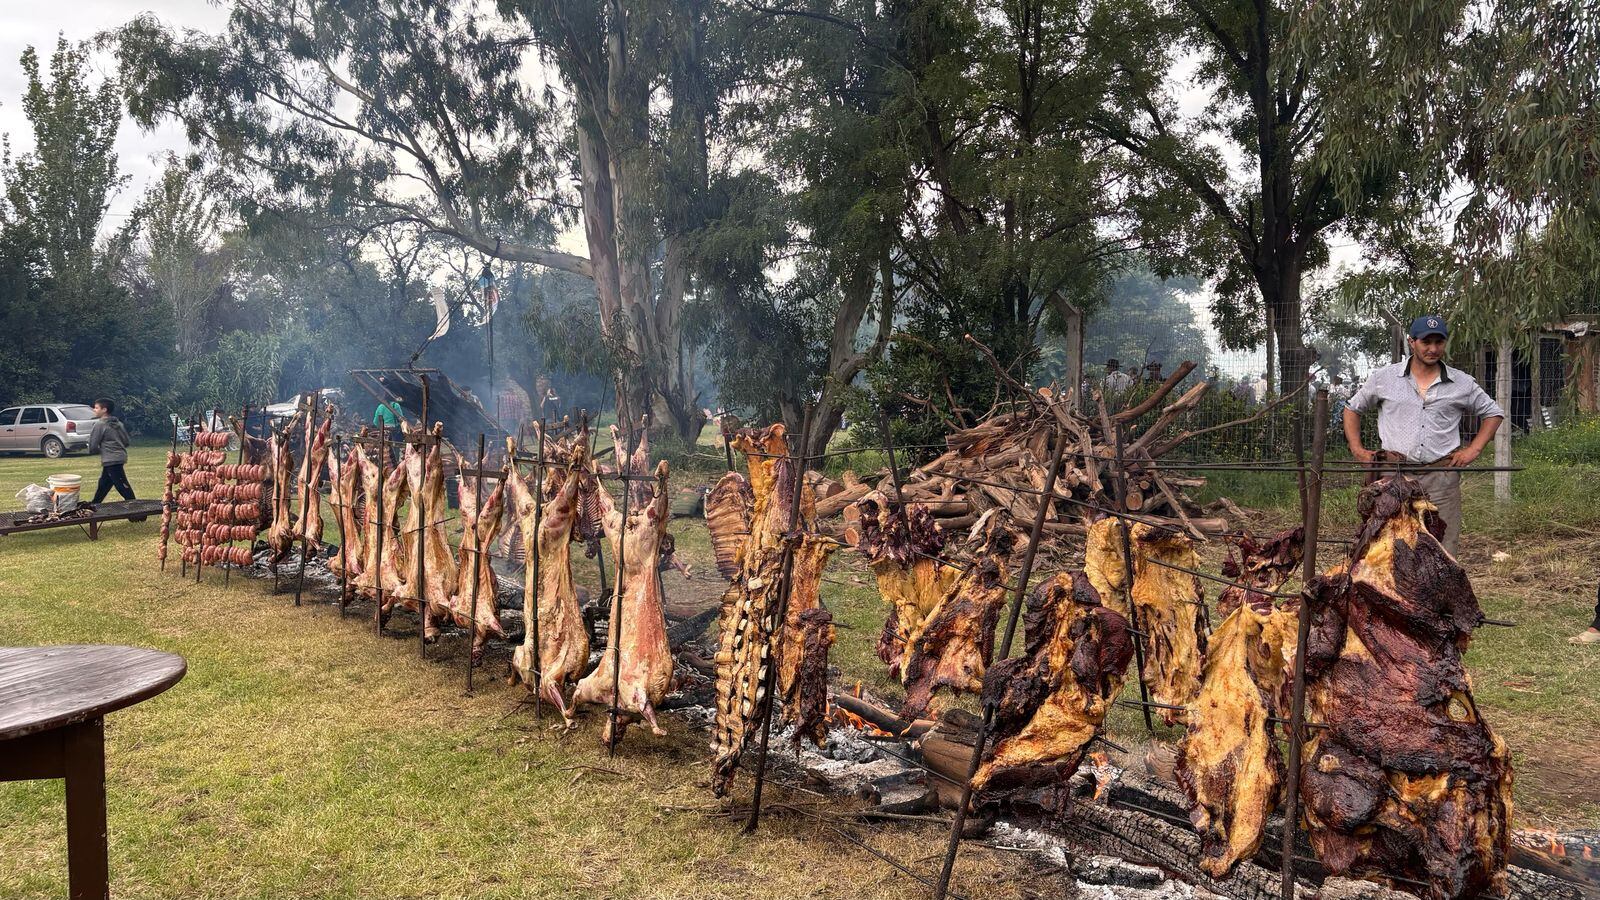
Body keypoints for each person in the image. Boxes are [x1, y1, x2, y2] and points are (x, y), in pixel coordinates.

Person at [1343, 314, 1505, 556]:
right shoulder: (1384, 379)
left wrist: (1474, 450)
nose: (1432, 349)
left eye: (1438, 343)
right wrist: (1357, 449)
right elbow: (1352, 409)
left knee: (1441, 547)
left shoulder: (1462, 383)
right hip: (1393, 477)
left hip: (1440, 476)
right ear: (1412, 342)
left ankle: (1438, 593)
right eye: (1425, 342)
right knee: (1387, 546)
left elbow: (1492, 413)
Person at [88, 398, 134, 505]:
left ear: (104, 409)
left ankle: (138, 514)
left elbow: (93, 446)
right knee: (104, 484)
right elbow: (126, 442)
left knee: (122, 486)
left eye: (96, 407)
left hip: (111, 459)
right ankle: (95, 505)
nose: (94, 410)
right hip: (120, 457)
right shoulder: (118, 423)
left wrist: (102, 450)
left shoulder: (100, 424)